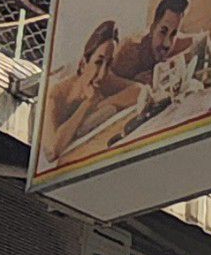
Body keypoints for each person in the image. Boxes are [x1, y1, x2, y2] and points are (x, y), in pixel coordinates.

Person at [42, 19, 142, 158]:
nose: (102, 74)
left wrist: (99, 107)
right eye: (98, 62)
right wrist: (87, 105)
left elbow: (139, 91)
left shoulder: (104, 79)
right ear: (83, 64)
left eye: (108, 64)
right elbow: (52, 151)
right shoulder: (56, 95)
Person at [109, 0, 196, 84]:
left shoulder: (175, 44)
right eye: (163, 32)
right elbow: (106, 82)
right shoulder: (130, 53)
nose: (167, 43)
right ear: (152, 28)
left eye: (173, 34)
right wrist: (134, 84)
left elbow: (197, 40)